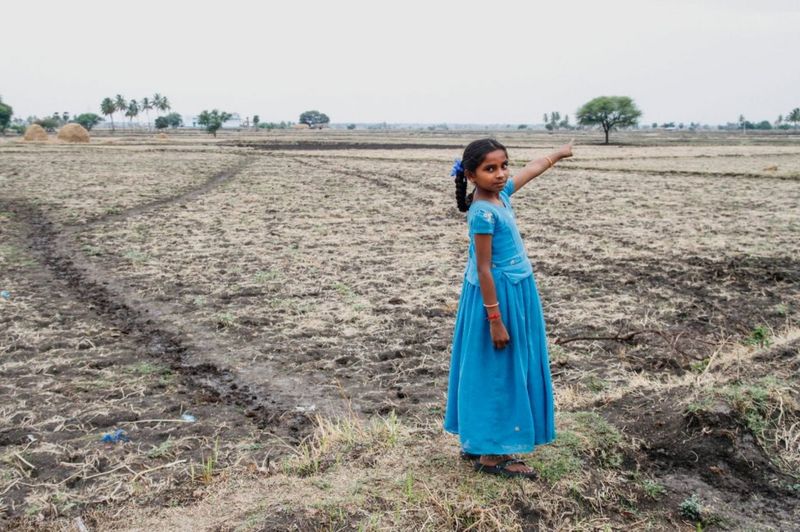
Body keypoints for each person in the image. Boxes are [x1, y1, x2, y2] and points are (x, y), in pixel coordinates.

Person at [444, 137, 574, 479]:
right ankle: (492, 456)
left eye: (504, 166)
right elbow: (485, 268)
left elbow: (532, 170)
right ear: (471, 175)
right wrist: (495, 319)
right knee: (499, 371)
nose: (500, 174)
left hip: (514, 290)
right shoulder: (483, 213)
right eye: (490, 169)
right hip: (497, 297)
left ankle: (482, 441)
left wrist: (558, 153)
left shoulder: (499, 196)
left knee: (498, 368)